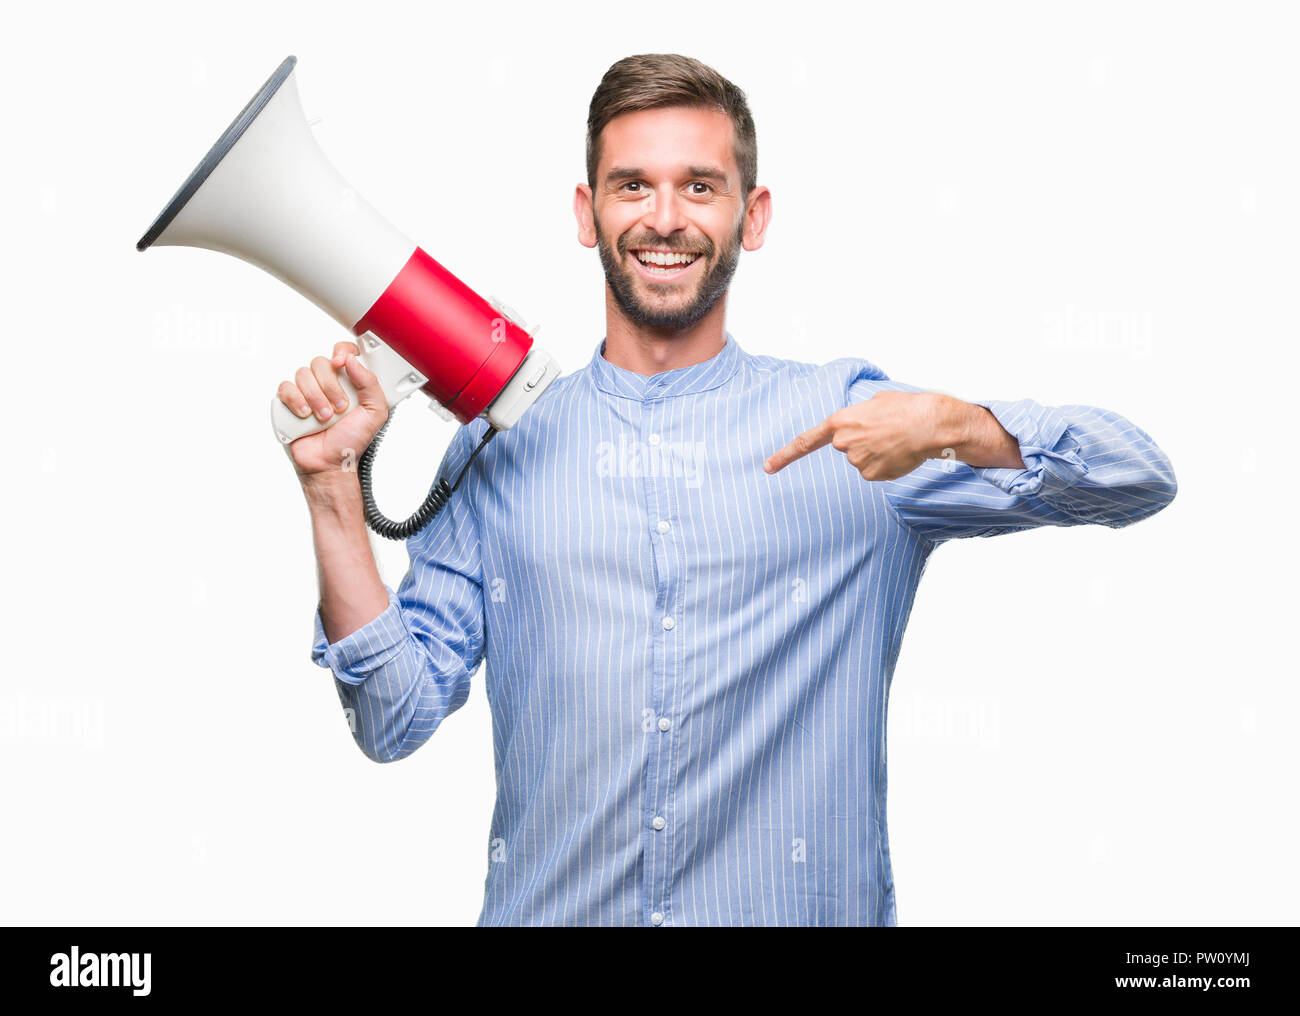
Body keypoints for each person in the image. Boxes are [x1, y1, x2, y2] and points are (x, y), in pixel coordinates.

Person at [277, 53, 1177, 926]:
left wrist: (956, 424)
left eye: (699, 187)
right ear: (588, 213)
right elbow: (394, 718)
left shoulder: (861, 431)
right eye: (633, 186)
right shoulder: (495, 447)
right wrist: (331, 493)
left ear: (753, 215)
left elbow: (1138, 476)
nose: (664, 218)